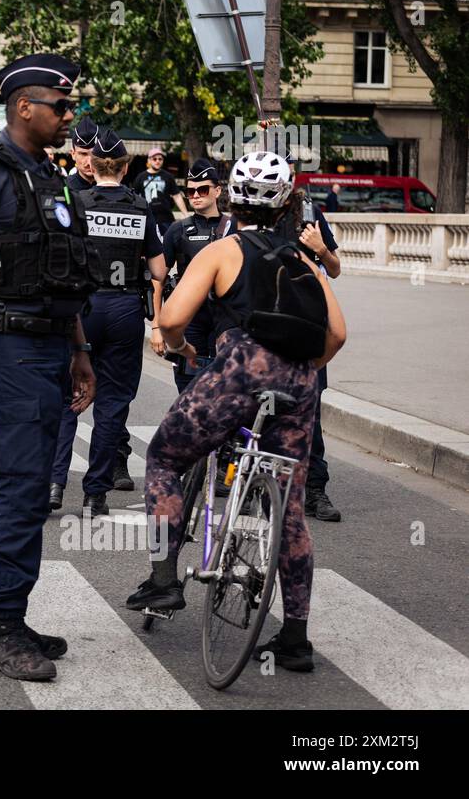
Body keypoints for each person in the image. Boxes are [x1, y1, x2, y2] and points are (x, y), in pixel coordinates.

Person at [128, 150, 346, 672]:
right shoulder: (303, 259)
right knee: (290, 510)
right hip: (299, 382)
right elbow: (337, 335)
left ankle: (163, 581)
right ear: (287, 203)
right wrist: (301, 368)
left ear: (229, 197)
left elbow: (175, 317)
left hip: (239, 370)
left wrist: (176, 344)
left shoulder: (224, 250)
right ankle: (294, 640)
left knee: (163, 458)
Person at [0, 53, 97, 683]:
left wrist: (80, 349)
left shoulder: (49, 178)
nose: (69, 116)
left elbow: (64, 270)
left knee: (9, 478)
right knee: (25, 487)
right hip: (11, 349)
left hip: (52, 345)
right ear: (23, 107)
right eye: (61, 106)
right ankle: (1, 625)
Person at [50, 128, 165, 513]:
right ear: (127, 167)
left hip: (81, 309)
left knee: (68, 396)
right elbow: (160, 268)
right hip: (124, 310)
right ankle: (96, 492)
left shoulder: (77, 202)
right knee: (112, 402)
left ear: (91, 164)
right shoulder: (138, 206)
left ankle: (53, 483)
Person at [67, 116, 134, 483]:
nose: (88, 161)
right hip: (79, 301)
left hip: (115, 298)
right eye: (81, 154)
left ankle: (116, 459)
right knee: (70, 388)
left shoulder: (124, 192)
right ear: (73, 152)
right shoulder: (66, 191)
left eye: (92, 154)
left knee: (112, 392)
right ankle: (58, 478)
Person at [277, 184, 343, 521]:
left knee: (310, 413)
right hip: (263, 326)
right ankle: (254, 484)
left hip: (307, 325)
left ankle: (315, 489)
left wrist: (320, 248)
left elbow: (334, 268)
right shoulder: (250, 214)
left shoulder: (309, 213)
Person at [160, 159, 233, 393]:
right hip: (190, 317)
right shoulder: (177, 230)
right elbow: (158, 277)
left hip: (225, 316)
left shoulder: (234, 227)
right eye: (190, 191)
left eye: (202, 189)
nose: (196, 195)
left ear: (217, 190)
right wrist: (155, 327)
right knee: (188, 388)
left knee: (225, 386)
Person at [133, 147, 189, 228]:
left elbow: (176, 196)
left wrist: (185, 213)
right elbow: (135, 196)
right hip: (147, 217)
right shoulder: (141, 177)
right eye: (154, 159)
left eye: (160, 159)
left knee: (168, 240)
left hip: (166, 218)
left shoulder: (168, 176)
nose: (157, 161)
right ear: (149, 160)